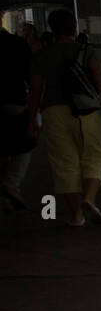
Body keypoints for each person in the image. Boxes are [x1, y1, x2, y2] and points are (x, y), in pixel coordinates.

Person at [26, 10, 101, 226]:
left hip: (53, 111)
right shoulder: (86, 51)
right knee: (94, 156)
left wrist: (32, 120)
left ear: (51, 28)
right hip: (86, 111)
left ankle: (77, 215)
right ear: (74, 27)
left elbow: (35, 90)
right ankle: (90, 198)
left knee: (64, 163)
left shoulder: (43, 56)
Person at [0, 26, 33, 210]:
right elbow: (31, 75)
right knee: (25, 144)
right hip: (15, 102)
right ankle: (11, 184)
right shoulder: (17, 43)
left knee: (3, 150)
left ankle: (6, 193)